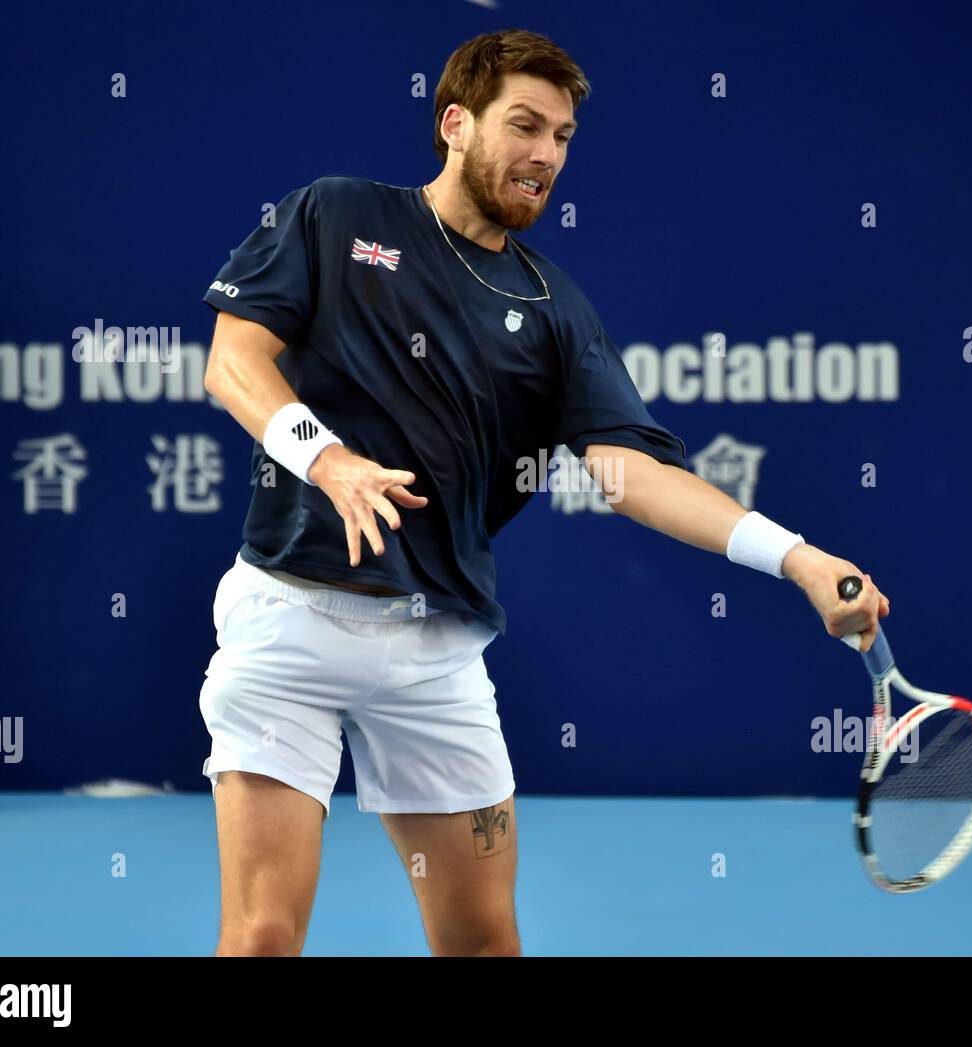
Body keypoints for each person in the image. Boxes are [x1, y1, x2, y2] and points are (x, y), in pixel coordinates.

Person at [198, 28, 889, 957]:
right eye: (524, 125)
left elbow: (634, 474)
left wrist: (800, 559)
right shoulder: (338, 214)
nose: (546, 155)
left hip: (434, 649)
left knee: (485, 943)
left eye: (563, 137)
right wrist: (327, 459)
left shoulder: (556, 309)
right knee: (265, 938)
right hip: (288, 616)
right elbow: (233, 361)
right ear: (456, 123)